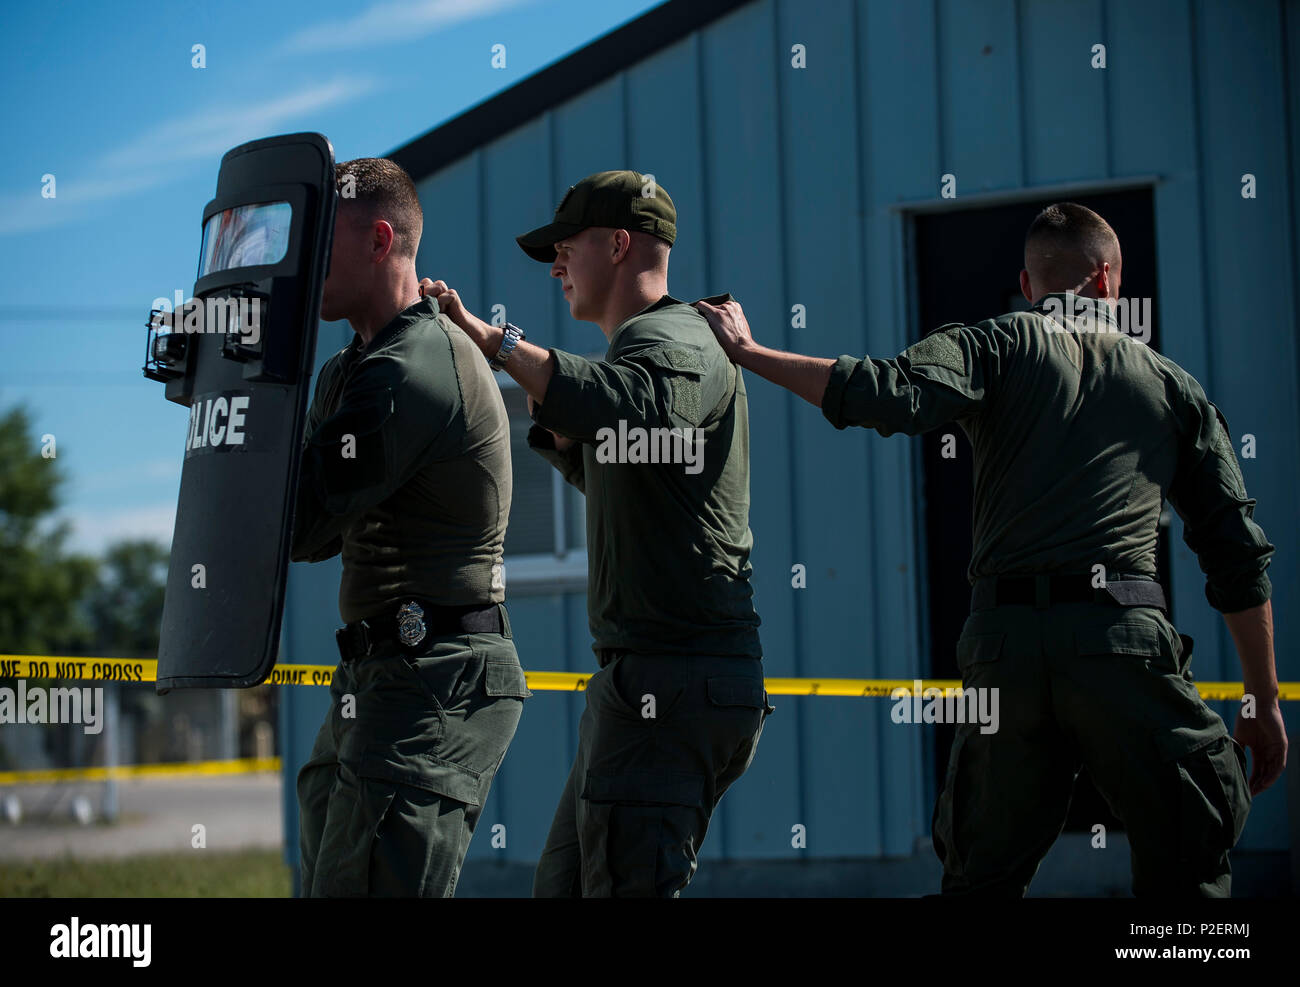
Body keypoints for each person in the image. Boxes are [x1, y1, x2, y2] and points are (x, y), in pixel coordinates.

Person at [693, 202, 1287, 897]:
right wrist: (1262, 698)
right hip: (1121, 640)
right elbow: (1235, 555)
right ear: (1106, 281)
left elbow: (886, 391)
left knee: (980, 877)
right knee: (1191, 858)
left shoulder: (995, 345)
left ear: (1030, 286)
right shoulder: (1171, 387)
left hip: (1003, 646)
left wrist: (749, 352)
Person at [419, 169, 772, 897]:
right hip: (645, 682)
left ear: (618, 244)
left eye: (564, 247)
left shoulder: (675, 341)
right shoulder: (644, 349)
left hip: (669, 680)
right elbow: (634, 458)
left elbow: (640, 408)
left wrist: (497, 341)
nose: (554, 266)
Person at [291, 157, 529, 898]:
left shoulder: (414, 367)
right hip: (377, 672)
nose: (304, 262)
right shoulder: (349, 372)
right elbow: (310, 538)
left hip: (436, 673)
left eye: (322, 238)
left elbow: (301, 514)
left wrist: (235, 403)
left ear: (379, 239)